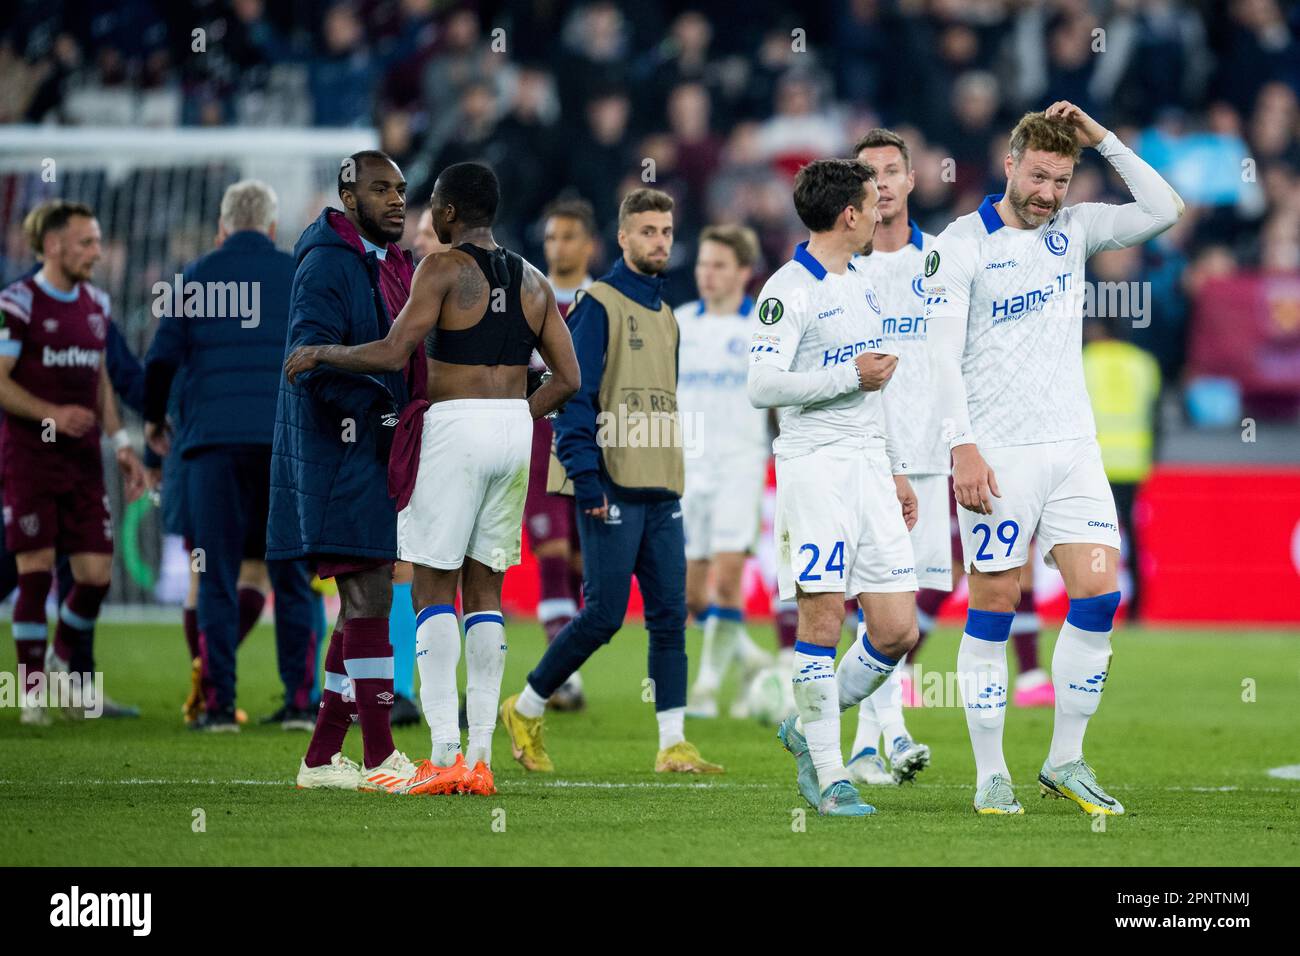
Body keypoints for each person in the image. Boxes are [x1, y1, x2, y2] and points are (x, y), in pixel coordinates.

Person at [286, 161, 581, 798]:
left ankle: (444, 750)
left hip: (452, 429)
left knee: (430, 588)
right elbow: (569, 379)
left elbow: (393, 352)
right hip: (514, 433)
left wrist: (322, 352)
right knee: (486, 593)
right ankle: (480, 757)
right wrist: (515, 415)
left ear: (447, 213)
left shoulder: (441, 268)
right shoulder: (534, 280)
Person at [925, 102, 1183, 815]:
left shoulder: (1075, 229)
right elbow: (940, 357)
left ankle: (1065, 760)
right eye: (1037, 177)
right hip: (998, 455)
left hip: (1074, 451)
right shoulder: (960, 244)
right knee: (995, 603)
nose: (1047, 194)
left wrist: (1104, 138)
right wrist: (961, 446)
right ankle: (990, 775)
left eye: (1061, 180)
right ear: (1009, 165)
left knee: (1099, 595)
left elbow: (1165, 208)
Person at [499, 188, 724, 775]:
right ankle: (526, 706)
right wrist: (586, 477)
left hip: (661, 485)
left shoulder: (666, 315)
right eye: (647, 231)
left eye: (666, 231)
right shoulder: (597, 305)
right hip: (612, 484)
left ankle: (673, 743)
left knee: (670, 616)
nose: (659, 241)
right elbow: (574, 395)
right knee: (603, 614)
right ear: (622, 238)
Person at [749, 158, 919, 817]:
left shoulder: (865, 285)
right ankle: (830, 774)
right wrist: (849, 376)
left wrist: (894, 467)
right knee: (823, 617)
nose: (881, 212)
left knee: (897, 630)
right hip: (815, 467)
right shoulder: (787, 290)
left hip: (869, 466)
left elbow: (879, 392)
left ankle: (805, 725)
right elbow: (762, 385)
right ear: (849, 215)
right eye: (873, 203)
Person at [269, 150, 422, 793]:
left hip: (369, 454)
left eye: (401, 189)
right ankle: (382, 756)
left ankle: (321, 758)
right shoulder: (329, 262)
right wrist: (380, 414)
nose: (396, 200)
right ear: (348, 195)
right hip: (338, 454)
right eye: (381, 189)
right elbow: (310, 359)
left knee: (360, 601)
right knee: (369, 598)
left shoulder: (388, 262)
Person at [143, 179, 319, 733]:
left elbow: (158, 362)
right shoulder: (299, 273)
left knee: (215, 576)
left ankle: (219, 706)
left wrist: (153, 424)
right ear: (272, 227)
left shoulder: (193, 278)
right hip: (284, 445)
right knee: (290, 575)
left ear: (222, 227)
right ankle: (299, 703)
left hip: (211, 446)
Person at [0, 200, 146, 724]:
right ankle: (31, 695)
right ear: (54, 245)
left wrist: (121, 441)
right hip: (30, 462)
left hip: (83, 464)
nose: (97, 252)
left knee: (96, 574)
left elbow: (98, 377)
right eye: (86, 242)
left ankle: (61, 660)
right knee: (35, 573)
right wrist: (52, 415)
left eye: (98, 241)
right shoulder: (16, 303)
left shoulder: (97, 305)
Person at [842, 129, 937, 786]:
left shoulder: (942, 262)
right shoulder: (840, 272)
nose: (880, 182)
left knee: (901, 610)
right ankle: (890, 733)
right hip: (864, 454)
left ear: (910, 180)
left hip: (928, 457)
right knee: (879, 604)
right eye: (868, 173)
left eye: (890, 170)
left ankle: (863, 746)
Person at [676, 224, 774, 720]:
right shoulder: (678, 324)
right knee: (693, 595)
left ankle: (706, 688)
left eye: (718, 265)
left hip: (741, 462)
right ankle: (752, 660)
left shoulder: (761, 326)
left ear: (742, 272)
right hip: (689, 466)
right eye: (702, 264)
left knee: (729, 580)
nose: (707, 274)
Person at [526, 199, 596, 711]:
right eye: (551, 237)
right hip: (539, 438)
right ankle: (563, 678)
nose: (558, 247)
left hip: (592, 440)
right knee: (551, 553)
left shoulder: (604, 302)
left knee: (578, 562)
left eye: (569, 236)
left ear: (589, 244)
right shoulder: (530, 297)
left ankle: (565, 668)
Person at [1082, 316, 1161, 621]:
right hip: (1132, 461)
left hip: (1093, 462)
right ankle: (1136, 608)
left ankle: (1091, 600)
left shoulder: (1085, 360)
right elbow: (1156, 417)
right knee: (1131, 536)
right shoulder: (1144, 364)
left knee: (1090, 534)